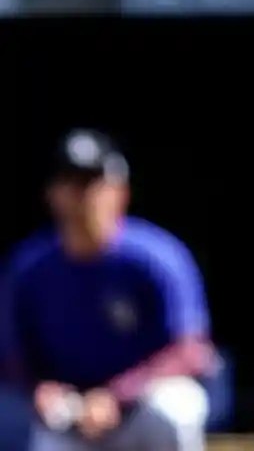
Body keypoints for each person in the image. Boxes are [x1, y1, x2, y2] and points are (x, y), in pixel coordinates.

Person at [0, 129, 214, 451]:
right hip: (72, 411)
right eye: (71, 183)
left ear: (119, 191)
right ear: (52, 193)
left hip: (140, 402)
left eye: (92, 183)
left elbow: (191, 351)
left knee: (175, 408)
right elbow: (15, 356)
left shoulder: (156, 257)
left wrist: (117, 396)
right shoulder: (30, 268)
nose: (83, 196)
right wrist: (39, 389)